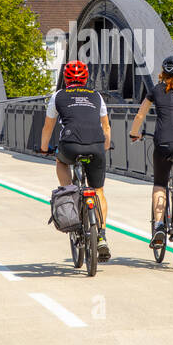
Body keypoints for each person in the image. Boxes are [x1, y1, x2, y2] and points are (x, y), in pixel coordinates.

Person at [40, 60, 113, 260]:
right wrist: (105, 147)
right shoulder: (96, 96)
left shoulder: (58, 96)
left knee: (61, 161)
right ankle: (102, 236)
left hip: (70, 146)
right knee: (98, 191)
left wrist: (44, 148)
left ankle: (68, 191)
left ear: (65, 78)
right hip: (96, 146)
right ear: (86, 77)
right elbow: (106, 127)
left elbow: (48, 127)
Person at [129, 55, 173, 251]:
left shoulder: (156, 91)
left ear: (163, 73)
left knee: (160, 184)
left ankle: (159, 226)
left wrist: (134, 133)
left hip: (164, 144)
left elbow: (140, 114)